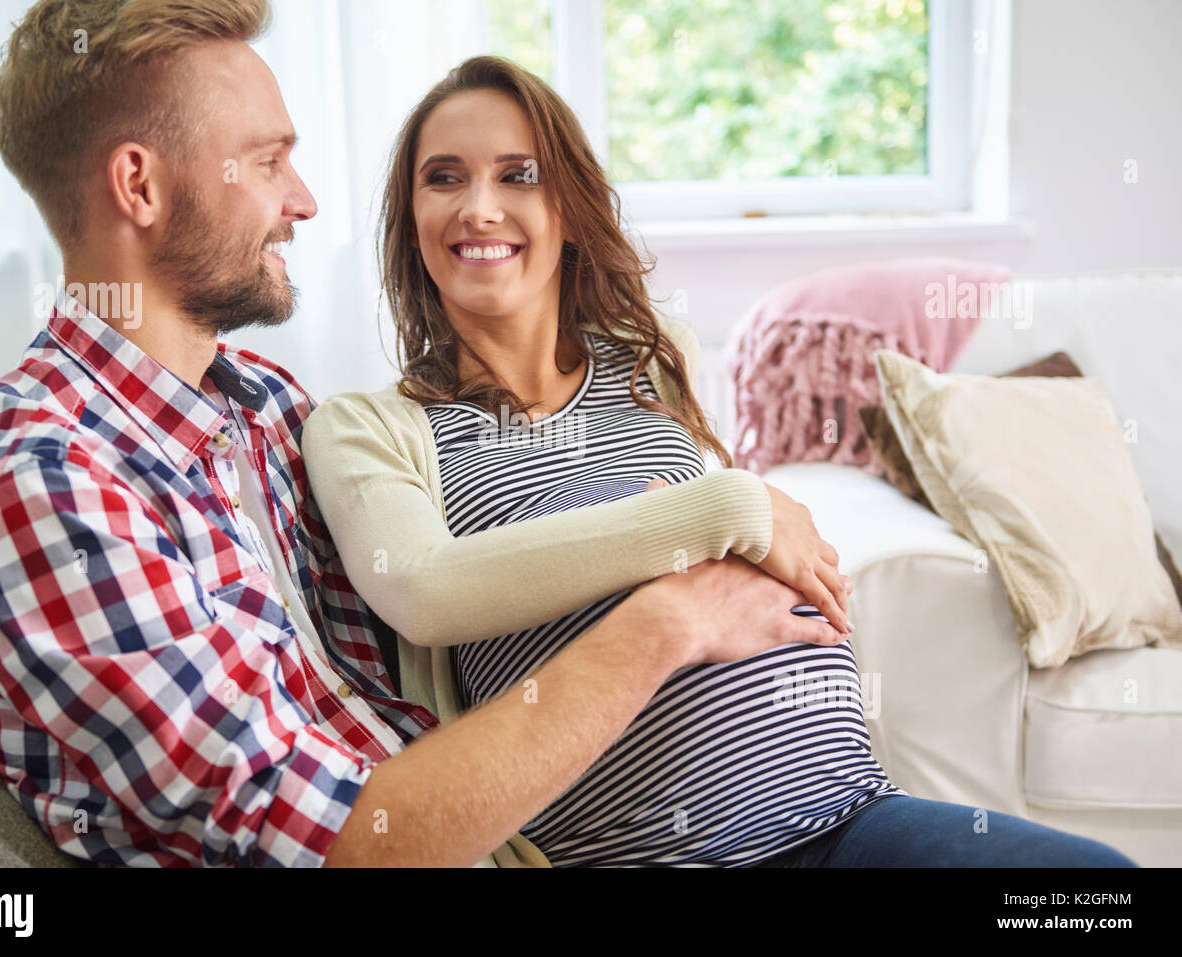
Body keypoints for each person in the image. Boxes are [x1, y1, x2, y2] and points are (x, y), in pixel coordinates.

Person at [0, 0, 851, 868]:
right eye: (269, 159)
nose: (305, 201)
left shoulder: (266, 413)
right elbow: (345, 844)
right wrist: (673, 616)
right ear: (140, 185)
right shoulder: (46, 486)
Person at [303, 55, 1137, 868]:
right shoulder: (372, 426)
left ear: (569, 209)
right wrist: (721, 511)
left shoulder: (655, 361)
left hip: (851, 815)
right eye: (443, 178)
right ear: (409, 218)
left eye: (518, 175)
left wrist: (727, 531)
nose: (479, 207)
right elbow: (426, 587)